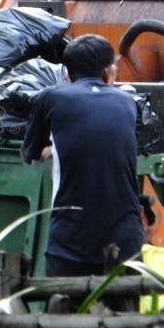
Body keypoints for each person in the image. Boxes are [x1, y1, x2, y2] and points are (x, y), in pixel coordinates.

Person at [21, 33, 145, 278]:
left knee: (65, 312)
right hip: (127, 243)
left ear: (67, 74)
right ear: (109, 71)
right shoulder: (129, 102)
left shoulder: (51, 98)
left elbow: (30, 156)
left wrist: (51, 151)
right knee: (123, 314)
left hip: (71, 244)